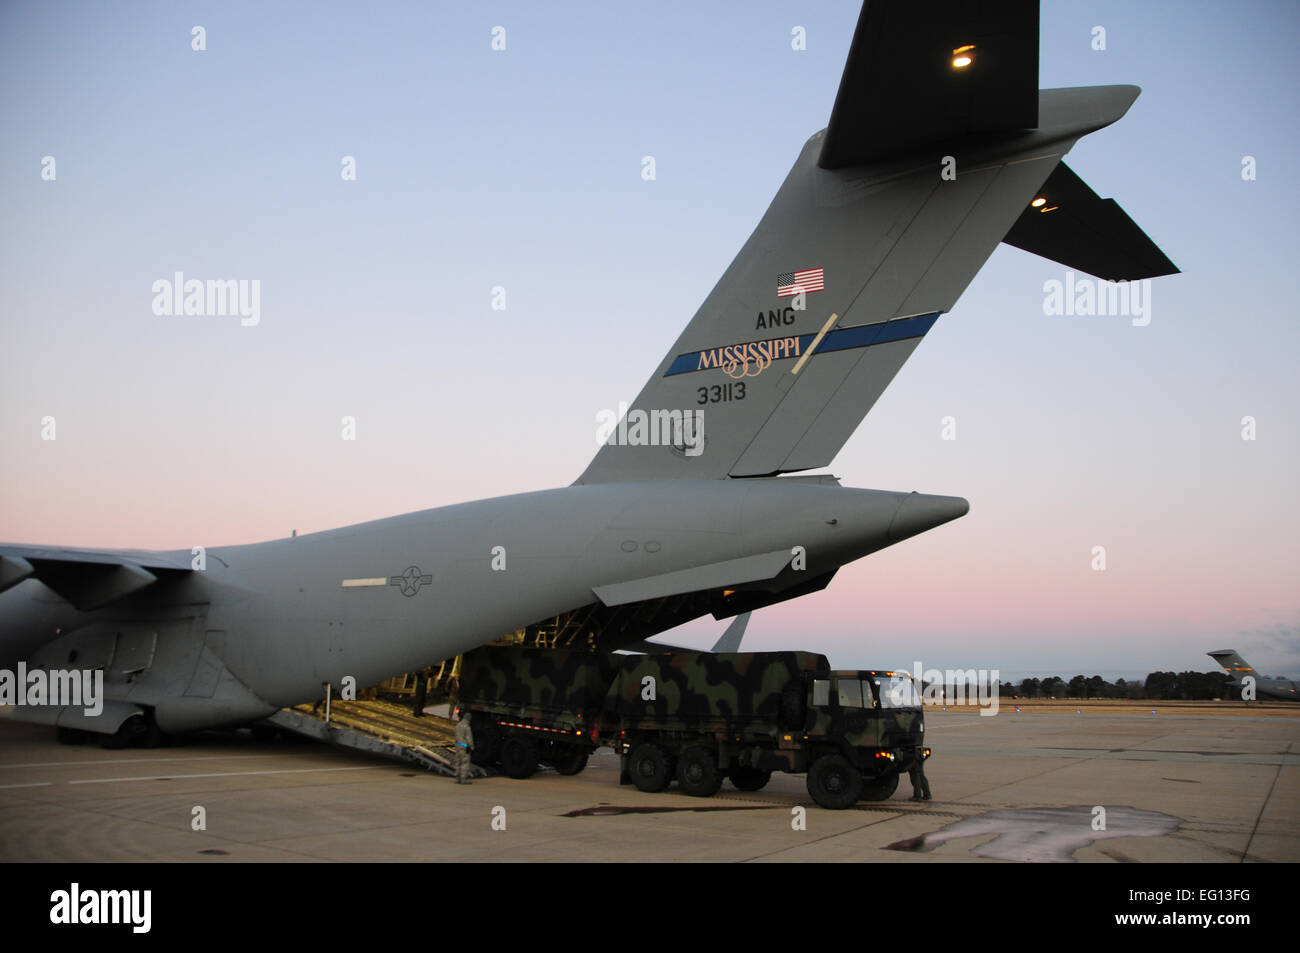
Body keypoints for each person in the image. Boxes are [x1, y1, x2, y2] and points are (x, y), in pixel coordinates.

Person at [454, 708, 474, 784]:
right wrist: (471, 747)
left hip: (458, 745)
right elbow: (469, 738)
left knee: (458, 761)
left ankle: (457, 778)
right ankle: (463, 779)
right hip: (464, 746)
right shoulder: (467, 727)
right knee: (464, 763)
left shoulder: (458, 725)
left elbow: (455, 735)